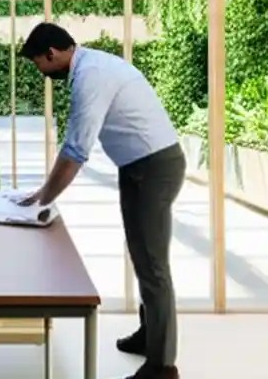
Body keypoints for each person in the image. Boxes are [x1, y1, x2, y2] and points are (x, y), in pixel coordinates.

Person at [16, 22, 185, 379]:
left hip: (154, 168)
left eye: (38, 65)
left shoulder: (90, 76)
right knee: (141, 253)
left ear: (51, 54)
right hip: (138, 165)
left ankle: (163, 366)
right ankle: (149, 335)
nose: (41, 73)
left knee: (153, 265)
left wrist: (43, 198)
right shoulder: (89, 66)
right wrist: (42, 195)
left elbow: (76, 149)